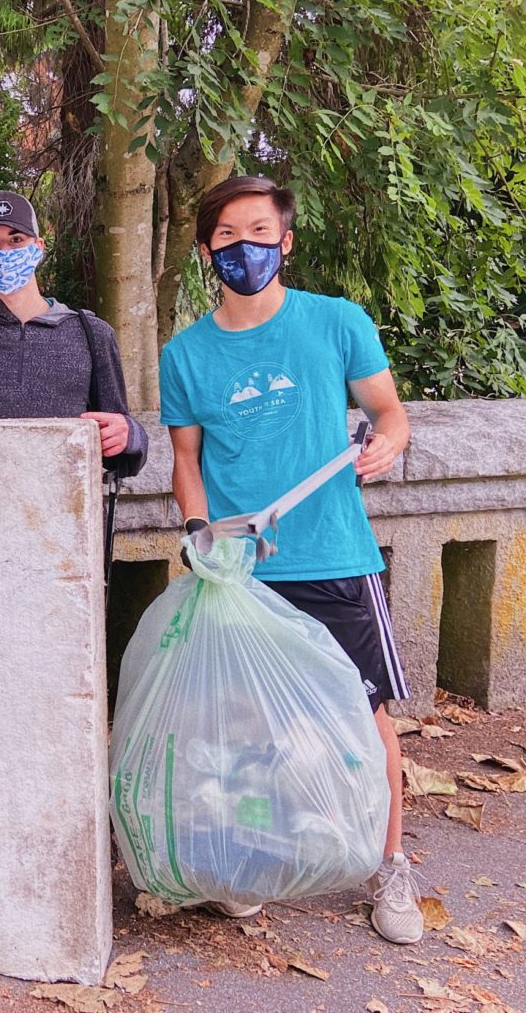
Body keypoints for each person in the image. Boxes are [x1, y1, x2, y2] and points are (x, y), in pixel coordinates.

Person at [158, 174, 419, 943]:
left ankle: (390, 861)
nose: (247, 248)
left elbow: (389, 413)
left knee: (364, 716)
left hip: (334, 554)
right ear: (208, 249)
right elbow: (185, 460)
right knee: (244, 725)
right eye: (229, 236)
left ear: (287, 240)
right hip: (239, 571)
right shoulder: (186, 354)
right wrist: (201, 530)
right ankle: (255, 861)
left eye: (260, 232)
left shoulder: (335, 323)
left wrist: (389, 444)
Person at [0, 191, 147, 481]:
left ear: (38, 247)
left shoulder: (92, 334)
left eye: (16, 239)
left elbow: (123, 450)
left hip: (68, 518)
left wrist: (129, 435)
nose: (4, 251)